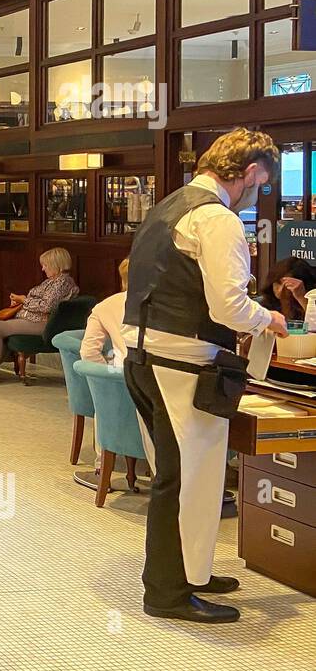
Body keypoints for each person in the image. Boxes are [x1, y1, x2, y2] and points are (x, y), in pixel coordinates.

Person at [123, 129, 288, 624]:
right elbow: (229, 305)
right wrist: (269, 319)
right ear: (254, 171)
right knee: (187, 481)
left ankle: (190, 572)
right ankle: (169, 594)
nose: (260, 191)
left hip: (143, 356)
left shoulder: (172, 203)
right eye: (264, 181)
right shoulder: (218, 218)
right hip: (182, 363)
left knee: (179, 477)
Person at [0, 248, 79, 382]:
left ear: (56, 264)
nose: (43, 269)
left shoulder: (61, 282)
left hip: (44, 323)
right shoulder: (52, 281)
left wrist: (23, 300)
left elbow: (47, 306)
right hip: (34, 319)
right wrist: (19, 301)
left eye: (45, 265)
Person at [80, 258, 130, 366]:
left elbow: (88, 353)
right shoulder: (170, 304)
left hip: (122, 376)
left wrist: (108, 376)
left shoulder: (104, 306)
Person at [257, 255, 316, 321]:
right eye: (278, 283)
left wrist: (302, 298)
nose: (281, 289)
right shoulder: (260, 304)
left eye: (289, 284)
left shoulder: (311, 301)